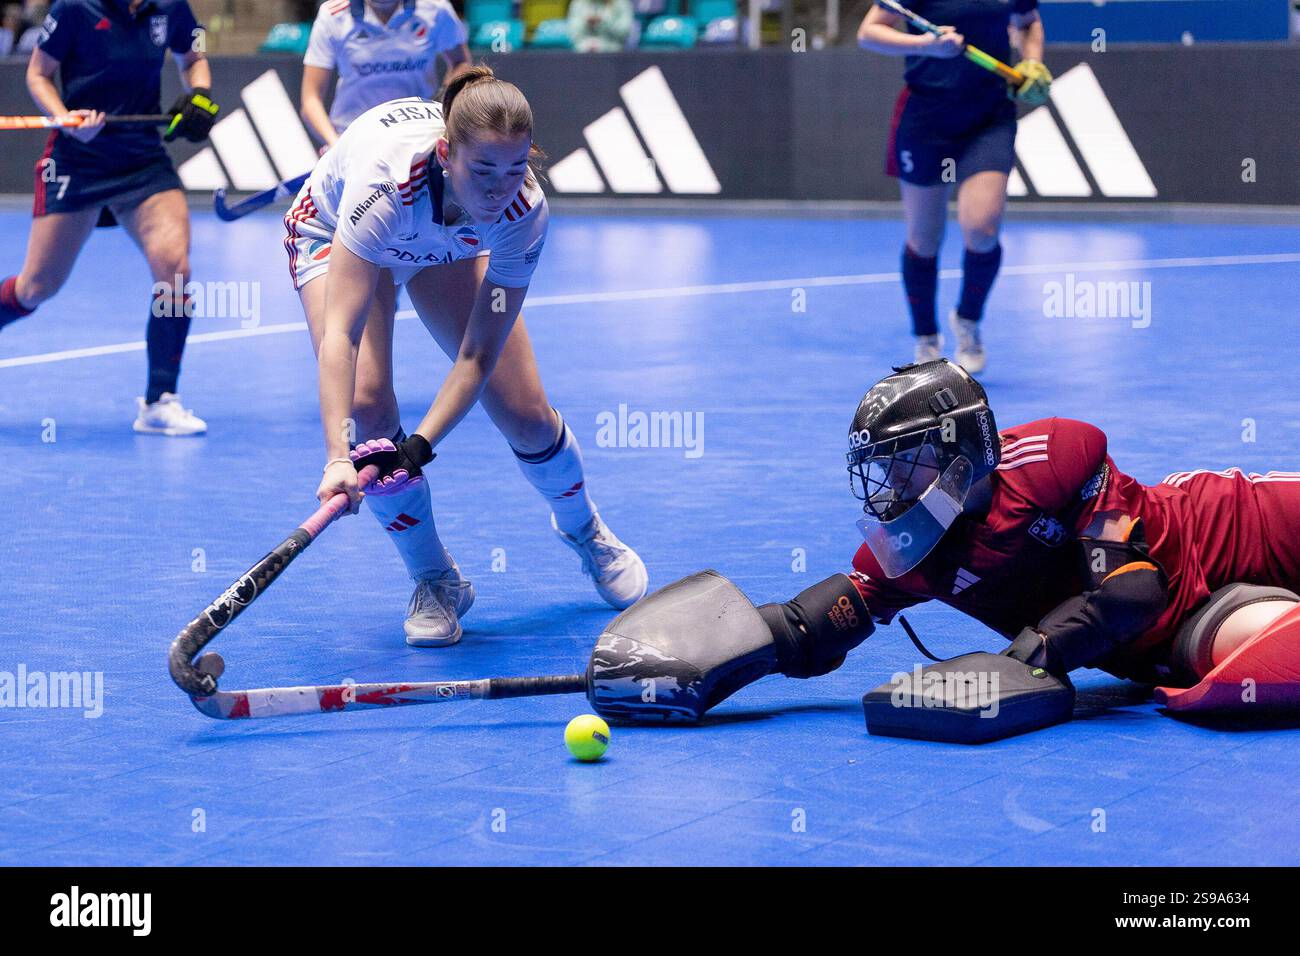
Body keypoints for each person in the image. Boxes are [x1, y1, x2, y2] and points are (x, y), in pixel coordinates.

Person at [622, 361, 1300, 732]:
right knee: (1252, 660)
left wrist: (1028, 658)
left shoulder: (1056, 461)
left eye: (903, 464)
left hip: (1237, 523)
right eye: (880, 468)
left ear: (959, 458)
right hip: (1184, 630)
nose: (888, 487)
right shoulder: (908, 550)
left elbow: (1128, 589)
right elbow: (819, 626)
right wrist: (721, 657)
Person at [285, 68, 648, 647]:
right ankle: (435, 578)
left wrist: (420, 445)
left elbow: (478, 355)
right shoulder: (384, 186)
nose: (499, 187)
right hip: (339, 231)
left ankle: (584, 528)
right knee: (368, 408)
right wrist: (338, 457)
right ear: (446, 152)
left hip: (446, 241)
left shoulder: (522, 209)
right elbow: (342, 337)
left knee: (526, 413)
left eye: (514, 168)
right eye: (482, 170)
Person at [0, 0, 219, 435]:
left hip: (142, 158)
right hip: (76, 159)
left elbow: (193, 58)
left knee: (174, 270)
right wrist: (64, 119)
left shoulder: (171, 7)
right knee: (36, 287)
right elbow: (38, 73)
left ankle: (159, 401)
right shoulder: (74, 8)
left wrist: (199, 95)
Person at [858, 1, 1052, 372]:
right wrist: (926, 46)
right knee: (924, 238)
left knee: (982, 228)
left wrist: (1033, 61)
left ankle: (968, 319)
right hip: (925, 118)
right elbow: (869, 34)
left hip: (989, 117)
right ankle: (926, 339)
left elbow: (1029, 22)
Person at [300, 0, 470, 153]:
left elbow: (461, 62)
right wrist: (336, 146)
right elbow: (310, 99)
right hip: (352, 140)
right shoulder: (332, 15)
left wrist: (444, 104)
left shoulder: (436, 9)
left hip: (420, 138)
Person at [566, 0, 632, 53]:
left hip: (612, 52)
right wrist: (586, 23)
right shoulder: (578, 3)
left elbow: (624, 33)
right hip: (582, 52)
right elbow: (573, 35)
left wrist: (604, 22)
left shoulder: (622, 3)